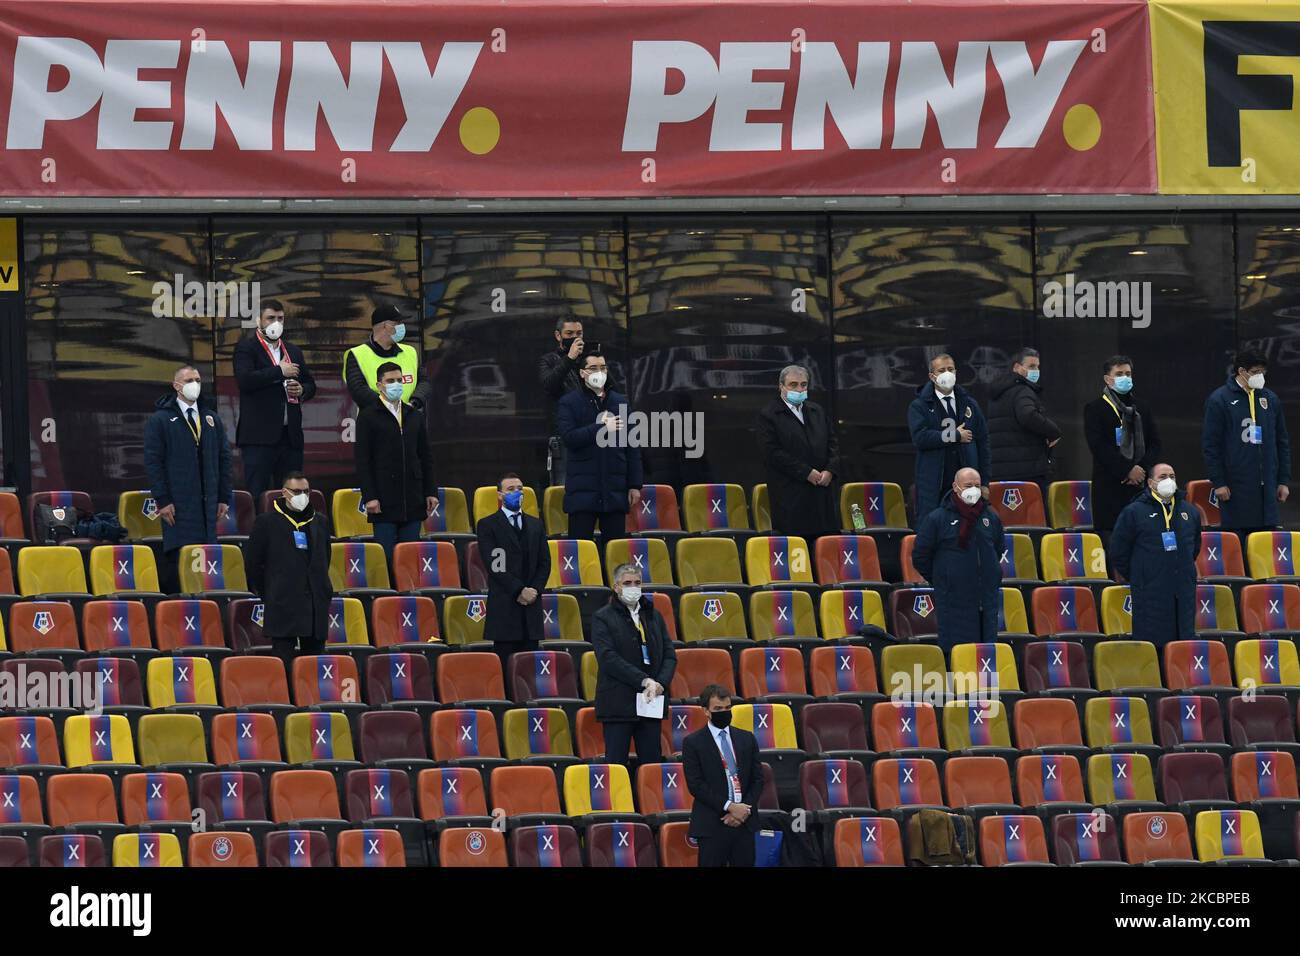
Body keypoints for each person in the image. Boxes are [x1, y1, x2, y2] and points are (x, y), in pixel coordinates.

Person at [143, 365, 233, 593]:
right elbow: (154, 463)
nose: (195, 384)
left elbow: (224, 459)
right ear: (177, 386)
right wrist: (162, 500)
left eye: (198, 380)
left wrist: (223, 497)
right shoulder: (160, 420)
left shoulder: (211, 419)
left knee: (206, 563)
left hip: (208, 506)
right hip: (178, 505)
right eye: (189, 380)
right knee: (181, 563)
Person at [245, 471, 334, 675]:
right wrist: (271, 592)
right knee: (283, 672)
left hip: (314, 609)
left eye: (305, 491)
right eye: (296, 491)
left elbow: (324, 559)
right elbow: (253, 564)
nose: (302, 495)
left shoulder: (320, 522)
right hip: (282, 607)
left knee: (313, 672)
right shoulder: (266, 523)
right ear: (284, 492)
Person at [591, 562, 677, 767]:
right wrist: (643, 680)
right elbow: (608, 658)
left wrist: (659, 684)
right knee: (616, 767)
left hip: (651, 701)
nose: (633, 587)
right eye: (627, 582)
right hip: (618, 703)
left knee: (652, 765)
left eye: (637, 582)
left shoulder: (653, 616)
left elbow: (670, 655)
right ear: (616, 586)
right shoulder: (602, 617)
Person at [912, 467, 1004, 651]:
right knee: (958, 658)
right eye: (968, 485)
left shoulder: (990, 518)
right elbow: (921, 556)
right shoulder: (937, 519)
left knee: (986, 659)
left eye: (977, 486)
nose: (974, 490)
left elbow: (998, 550)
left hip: (986, 601)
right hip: (953, 603)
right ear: (955, 487)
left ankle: (987, 682)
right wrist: (944, 579)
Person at [557, 349, 643, 546]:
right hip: (582, 493)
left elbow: (632, 445)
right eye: (593, 368)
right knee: (580, 550)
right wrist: (601, 427)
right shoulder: (569, 402)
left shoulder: (619, 401)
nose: (599, 372)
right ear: (582, 373)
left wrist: (634, 485)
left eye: (603, 368)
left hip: (614, 490)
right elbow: (569, 438)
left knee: (616, 550)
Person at [1202, 349, 1291, 539]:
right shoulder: (1220, 400)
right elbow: (1211, 446)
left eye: (1262, 372)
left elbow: (1281, 441)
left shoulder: (1269, 399)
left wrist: (1283, 480)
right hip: (1236, 488)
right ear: (1242, 371)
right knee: (1240, 546)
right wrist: (1219, 482)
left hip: (1267, 488)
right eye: (1256, 372)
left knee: (1264, 546)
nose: (1260, 377)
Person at [1109, 463, 1201, 647]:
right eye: (1162, 476)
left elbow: (1194, 548)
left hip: (1182, 593)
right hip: (1150, 594)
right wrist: (1141, 576)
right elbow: (1118, 551)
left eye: (1172, 476)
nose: (1169, 480)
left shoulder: (1189, 512)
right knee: (1153, 647)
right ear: (1150, 483)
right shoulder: (1134, 512)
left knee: (1182, 648)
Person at [234, 299, 316, 500]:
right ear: (258, 321)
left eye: (280, 318)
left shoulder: (293, 351)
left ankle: (289, 531)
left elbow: (311, 384)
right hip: (259, 438)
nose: (276, 323)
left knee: (292, 496)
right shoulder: (247, 348)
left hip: (290, 438)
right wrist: (279, 371)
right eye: (271, 318)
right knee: (257, 495)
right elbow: (245, 380)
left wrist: (302, 390)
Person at [355, 361, 438, 559]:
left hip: (413, 499)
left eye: (399, 380)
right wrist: (370, 497)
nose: (396, 384)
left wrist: (430, 491)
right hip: (383, 501)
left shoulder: (413, 415)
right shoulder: (368, 416)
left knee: (409, 557)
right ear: (379, 385)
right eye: (390, 380)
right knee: (386, 557)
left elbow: (426, 456)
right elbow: (363, 460)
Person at [476, 473, 551, 676]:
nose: (516, 493)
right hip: (505, 610)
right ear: (500, 495)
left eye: (520, 489)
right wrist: (519, 590)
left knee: (530, 673)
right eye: (510, 490)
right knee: (506, 673)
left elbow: (545, 563)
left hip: (531, 610)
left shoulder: (536, 525)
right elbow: (496, 565)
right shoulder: (488, 525)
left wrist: (534, 589)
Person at [682, 684, 764, 868]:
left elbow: (758, 779)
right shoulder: (693, 743)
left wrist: (743, 810)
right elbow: (696, 785)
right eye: (718, 709)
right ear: (706, 711)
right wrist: (729, 807)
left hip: (744, 822)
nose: (724, 712)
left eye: (728, 708)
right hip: (712, 823)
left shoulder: (747, 738)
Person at [756, 364, 840, 542]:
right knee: (798, 548)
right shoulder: (769, 414)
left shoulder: (817, 411)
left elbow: (832, 443)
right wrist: (806, 472)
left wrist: (830, 470)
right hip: (791, 495)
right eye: (793, 385)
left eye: (803, 385)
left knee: (825, 546)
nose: (799, 389)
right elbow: (772, 452)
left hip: (821, 493)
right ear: (781, 386)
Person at [1084, 355, 1162, 545]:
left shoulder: (1142, 407)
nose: (1125, 377)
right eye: (1119, 374)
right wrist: (1127, 469)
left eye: (1128, 373)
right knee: (1113, 544)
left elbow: (1155, 443)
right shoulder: (1095, 408)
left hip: (1139, 486)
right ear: (1107, 379)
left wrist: (1140, 470)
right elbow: (1099, 446)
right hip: (1110, 486)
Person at [908, 353, 990, 522]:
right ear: (932, 376)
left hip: (966, 486)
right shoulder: (920, 406)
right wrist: (954, 435)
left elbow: (983, 443)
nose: (947, 373)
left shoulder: (969, 404)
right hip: (934, 484)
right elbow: (920, 438)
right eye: (942, 370)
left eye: (950, 369)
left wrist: (985, 483)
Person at [988, 347, 1061, 503]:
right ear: (1016, 367)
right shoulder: (1022, 390)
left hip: (1000, 470)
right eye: (1031, 366)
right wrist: (1054, 432)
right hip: (1027, 471)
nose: (1036, 371)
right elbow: (1028, 415)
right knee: (1034, 521)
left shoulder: (998, 393)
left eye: (1038, 366)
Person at [343, 304, 432, 411]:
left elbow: (424, 382)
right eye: (397, 323)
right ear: (385, 326)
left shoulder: (410, 352)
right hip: (375, 423)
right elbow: (358, 390)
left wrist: (413, 403)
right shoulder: (357, 354)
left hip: (410, 420)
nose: (402, 326)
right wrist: (391, 409)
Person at [539, 317, 586, 486]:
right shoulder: (549, 360)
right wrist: (570, 358)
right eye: (569, 333)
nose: (575, 337)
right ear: (558, 336)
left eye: (579, 333)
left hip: (592, 432)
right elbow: (549, 385)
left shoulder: (589, 361)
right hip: (564, 436)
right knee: (564, 486)